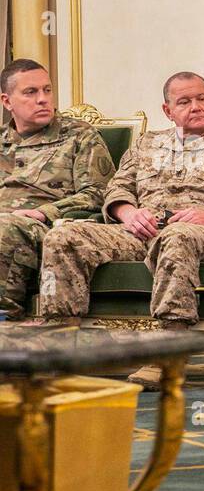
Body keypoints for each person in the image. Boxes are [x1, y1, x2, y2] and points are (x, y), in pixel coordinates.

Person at [39, 71, 204, 388]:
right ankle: (59, 346)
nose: (196, 106)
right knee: (63, 235)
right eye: (184, 101)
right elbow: (116, 188)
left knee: (176, 236)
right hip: (141, 231)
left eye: (202, 98)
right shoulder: (147, 145)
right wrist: (127, 212)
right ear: (167, 110)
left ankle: (166, 354)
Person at [0, 58, 114, 318]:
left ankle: (4, 324)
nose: (42, 99)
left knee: (5, 227)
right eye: (31, 92)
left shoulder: (78, 136)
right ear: (7, 102)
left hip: (50, 230)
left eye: (47, 90)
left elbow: (98, 195)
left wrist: (44, 212)